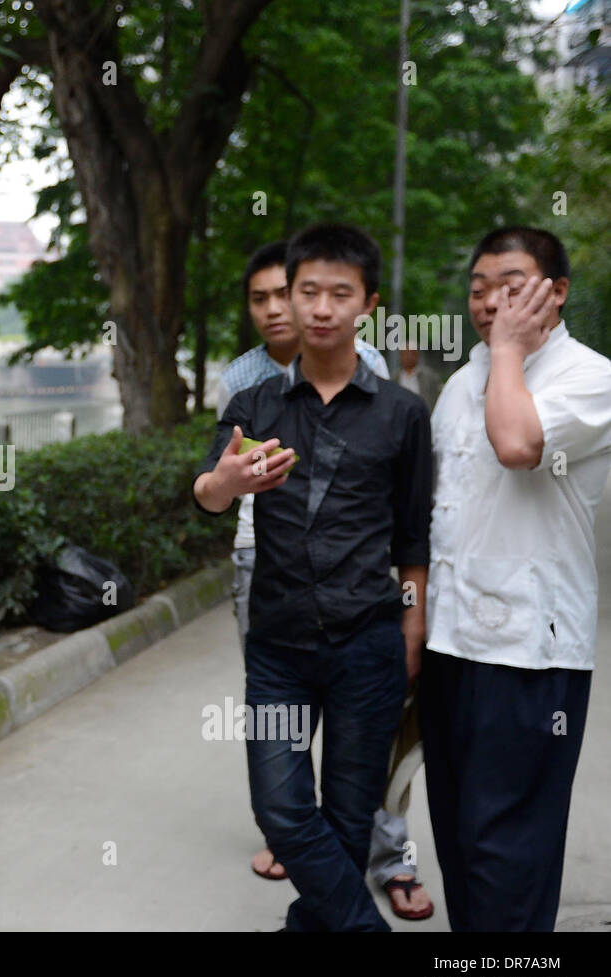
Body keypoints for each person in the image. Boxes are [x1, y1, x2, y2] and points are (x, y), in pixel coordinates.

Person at [193, 223, 432, 931]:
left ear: (369, 304)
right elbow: (205, 492)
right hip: (278, 645)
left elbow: (415, 532)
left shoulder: (401, 413)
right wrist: (227, 482)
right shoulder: (255, 406)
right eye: (308, 292)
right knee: (283, 810)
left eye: (340, 293)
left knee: (348, 816)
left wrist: (413, 617)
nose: (322, 307)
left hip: (369, 641)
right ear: (290, 300)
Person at [421, 225, 611, 931]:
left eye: (509, 284)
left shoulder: (591, 377)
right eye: (477, 288)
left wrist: (505, 350)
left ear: (556, 292)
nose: (488, 301)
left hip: (532, 655)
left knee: (510, 852)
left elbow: (517, 443)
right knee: (462, 841)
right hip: (452, 645)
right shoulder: (462, 382)